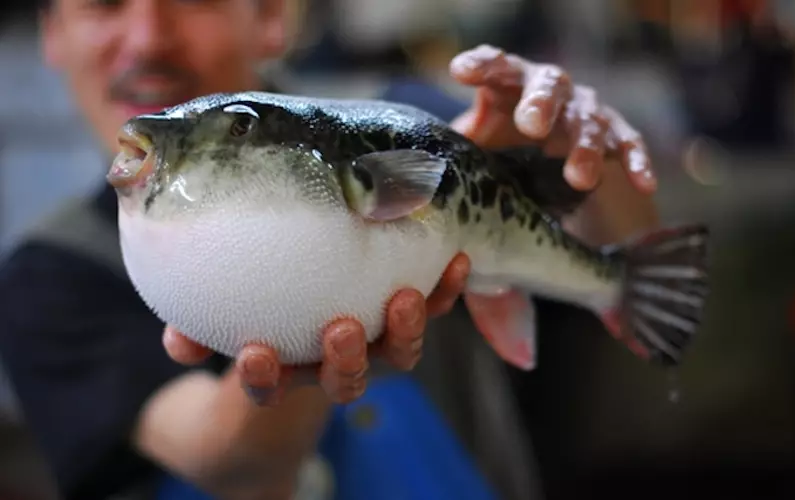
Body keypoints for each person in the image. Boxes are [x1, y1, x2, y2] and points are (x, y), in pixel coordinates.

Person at [0, 1, 660, 499]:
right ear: (53, 33)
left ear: (272, 17)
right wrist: (301, 355)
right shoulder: (50, 274)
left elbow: (631, 243)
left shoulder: (413, 128)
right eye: (103, 2)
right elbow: (234, 466)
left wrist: (582, 148)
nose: (147, 38)